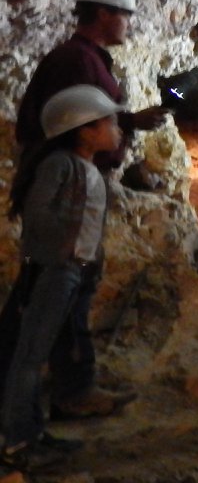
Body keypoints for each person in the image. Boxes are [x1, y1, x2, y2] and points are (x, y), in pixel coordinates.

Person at [3, 0, 165, 422]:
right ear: (104, 13)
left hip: (81, 183)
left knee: (53, 291)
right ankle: (62, 394)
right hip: (72, 190)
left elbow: (84, 121)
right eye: (126, 15)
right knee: (61, 287)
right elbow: (68, 124)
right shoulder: (76, 61)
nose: (129, 23)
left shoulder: (86, 60)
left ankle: (50, 389)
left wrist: (129, 123)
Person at [1, 85, 122, 474]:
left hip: (68, 273)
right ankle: (17, 443)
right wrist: (64, 253)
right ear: (85, 130)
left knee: (36, 355)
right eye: (110, 122)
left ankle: (33, 431)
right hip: (54, 272)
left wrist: (86, 262)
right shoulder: (60, 165)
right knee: (29, 358)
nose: (117, 129)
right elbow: (38, 214)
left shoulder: (87, 169)